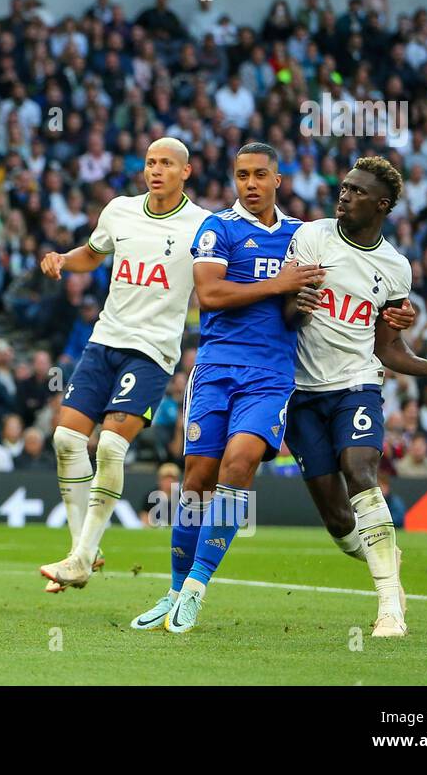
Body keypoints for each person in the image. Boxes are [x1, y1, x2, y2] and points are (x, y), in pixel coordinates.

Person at [132, 143, 321, 634]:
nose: (251, 184)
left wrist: (302, 297)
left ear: (278, 179)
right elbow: (211, 295)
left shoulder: (302, 236)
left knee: (238, 465)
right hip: (215, 370)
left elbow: (298, 305)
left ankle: (194, 588)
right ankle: (171, 591)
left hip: (270, 375)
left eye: (261, 174)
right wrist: (279, 284)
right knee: (196, 481)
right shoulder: (217, 228)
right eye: (242, 175)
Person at [283, 157, 427, 637]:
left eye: (355, 191)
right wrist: (295, 306)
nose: (343, 195)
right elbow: (284, 311)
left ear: (382, 205)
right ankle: (384, 555)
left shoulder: (394, 268)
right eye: (343, 187)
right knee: (337, 520)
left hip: (357, 383)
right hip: (303, 390)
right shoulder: (311, 237)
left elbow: (386, 347)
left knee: (360, 469)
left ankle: (390, 605)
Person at [37, 138, 211, 592]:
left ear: (185, 172)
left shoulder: (203, 226)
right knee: (66, 439)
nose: (156, 170)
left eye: (166, 164)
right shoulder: (119, 210)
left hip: (152, 352)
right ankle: (83, 552)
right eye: (151, 162)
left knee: (111, 448)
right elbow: (92, 254)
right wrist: (62, 260)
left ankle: (81, 556)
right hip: (104, 341)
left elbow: (223, 277)